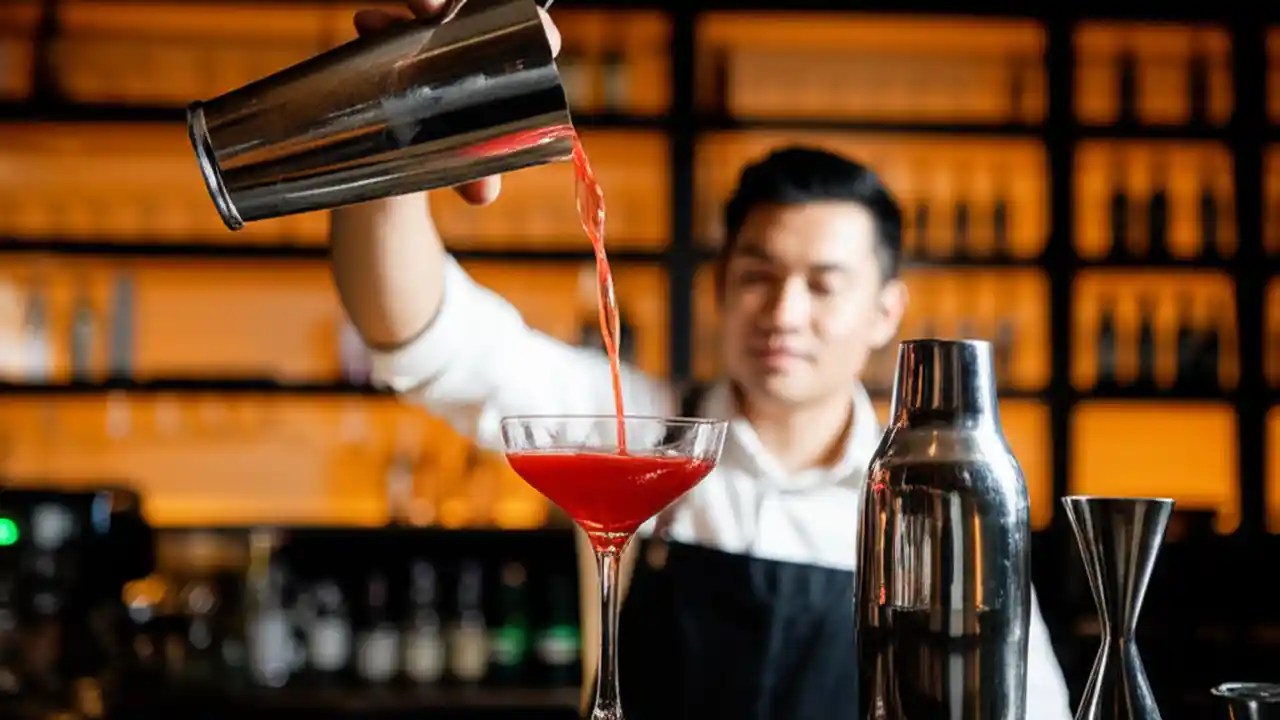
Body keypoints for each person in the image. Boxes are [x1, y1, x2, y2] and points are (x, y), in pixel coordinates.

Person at [333, 2, 1074, 717]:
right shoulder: (637, 435)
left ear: (885, 313)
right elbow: (422, 335)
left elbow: (1028, 708)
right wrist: (396, 128)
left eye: (823, 285)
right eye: (758, 275)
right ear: (720, 286)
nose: (784, 312)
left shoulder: (935, 511)